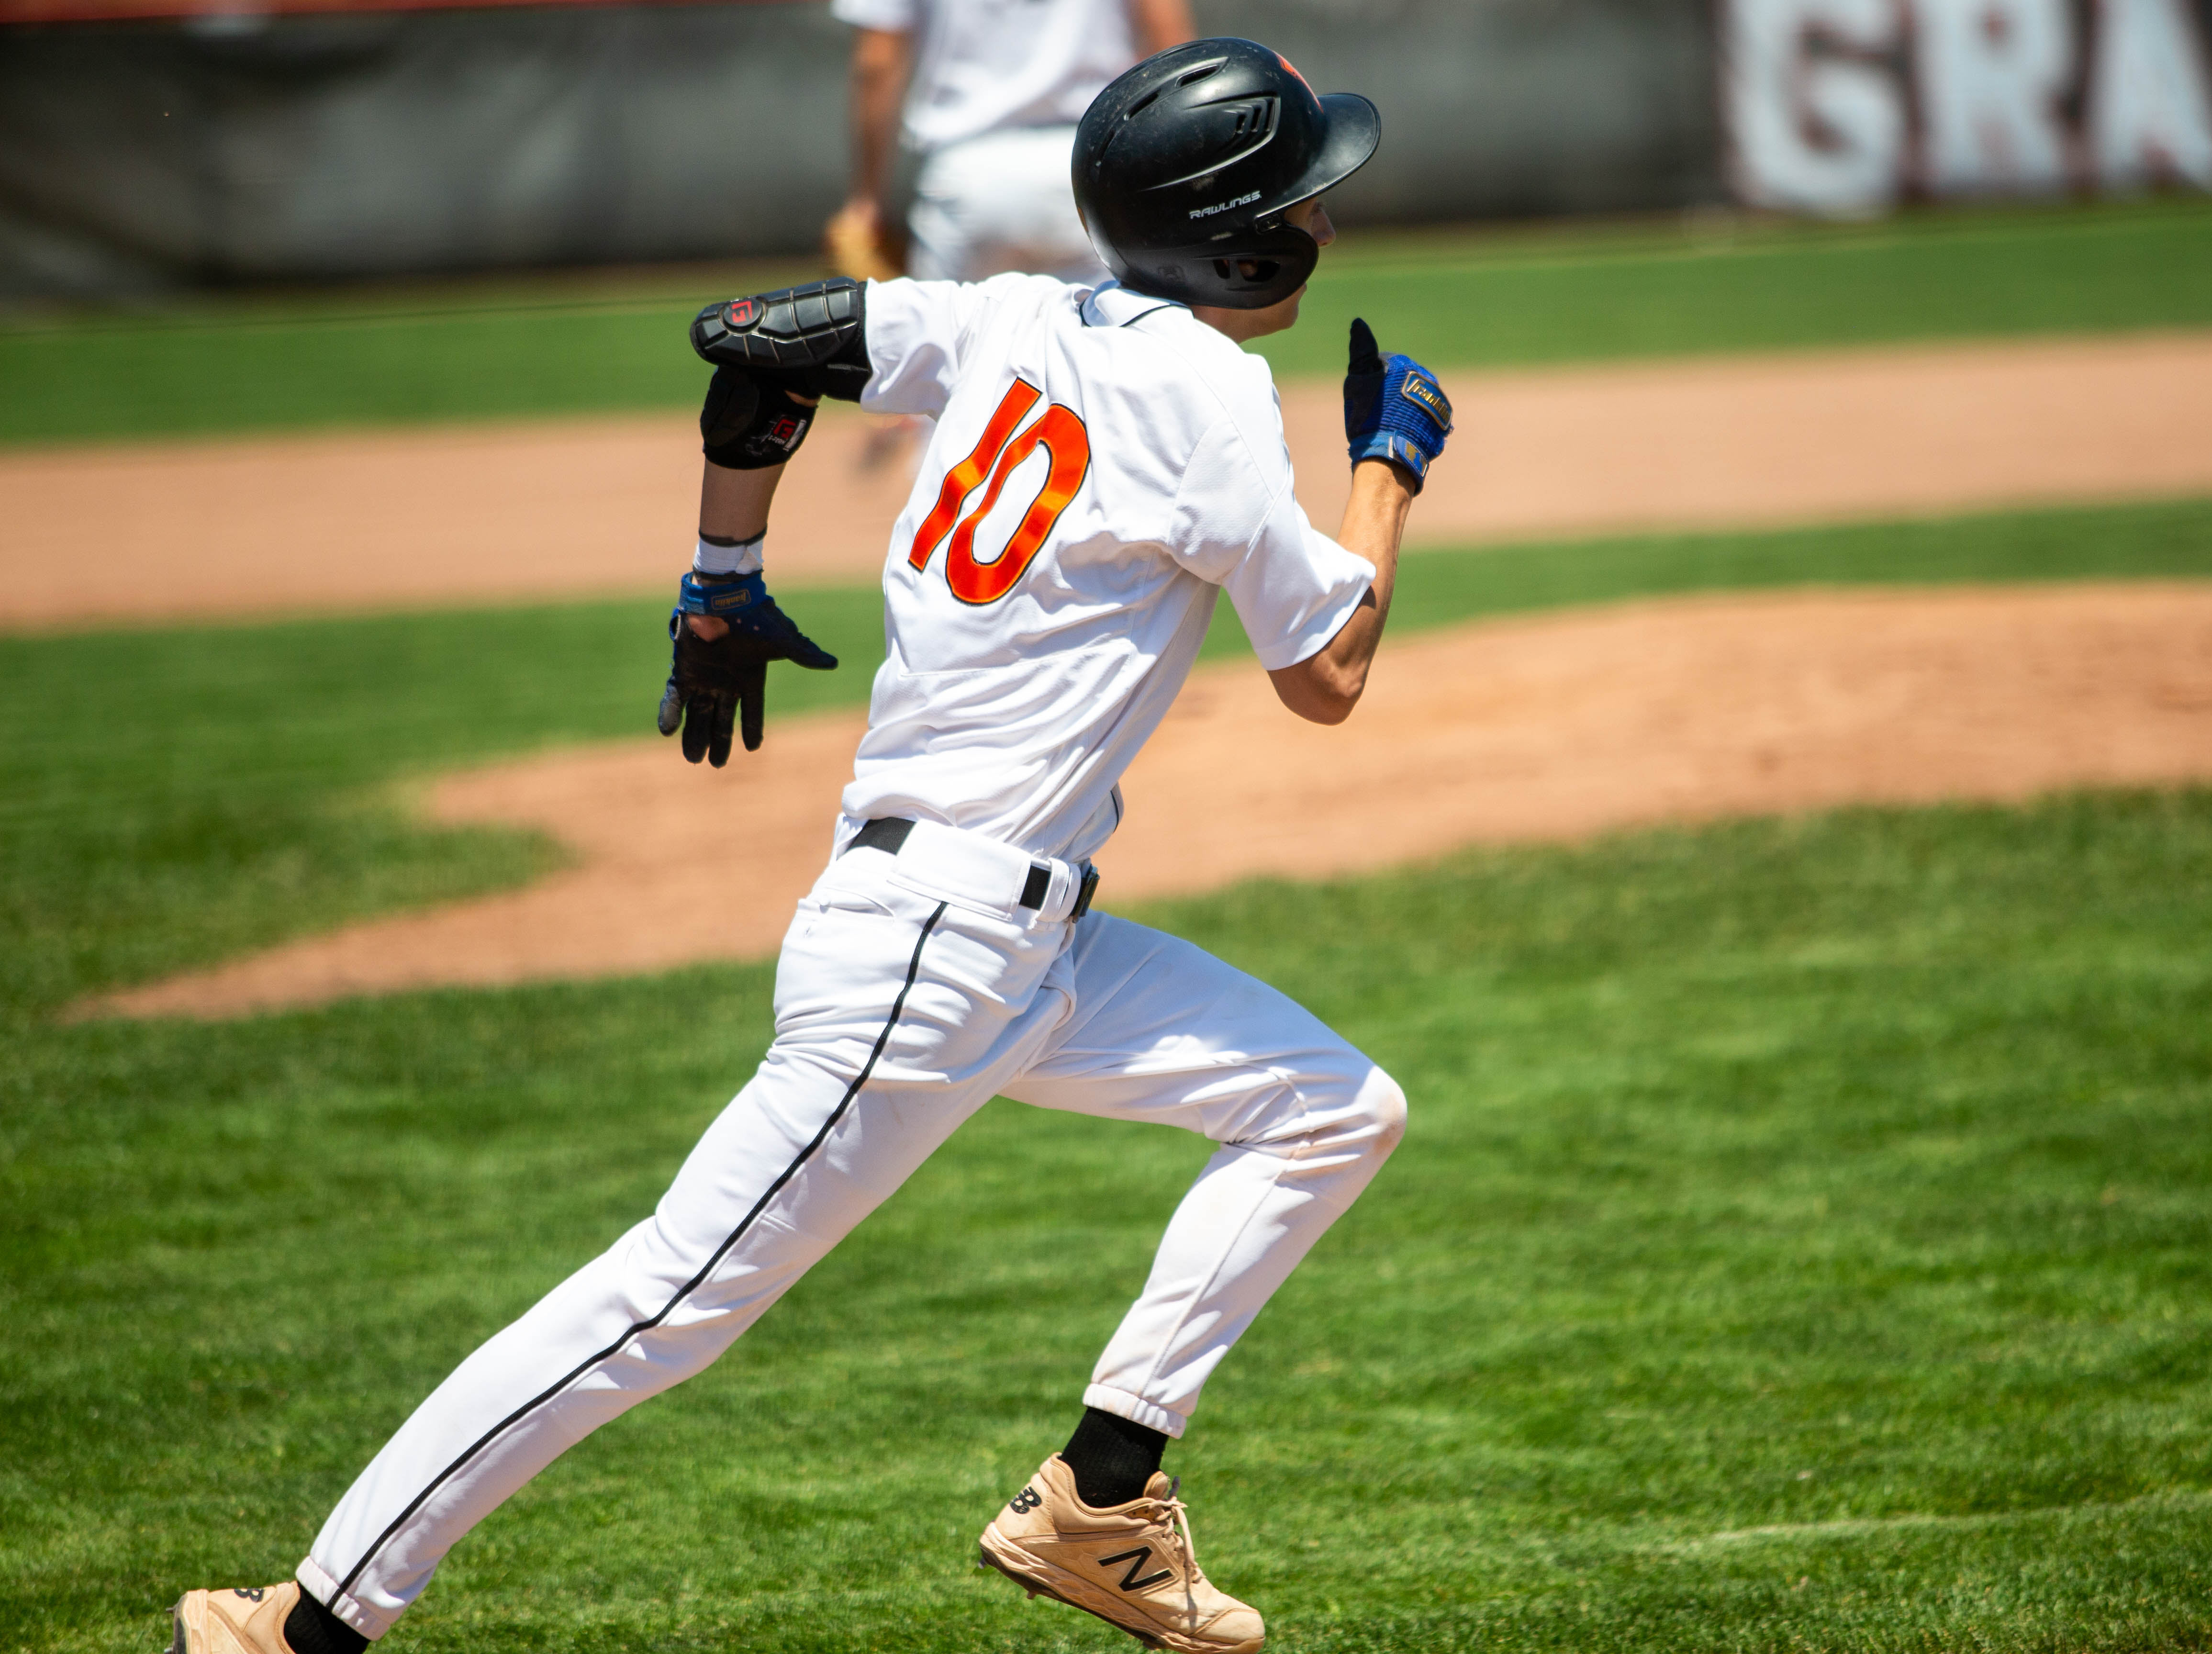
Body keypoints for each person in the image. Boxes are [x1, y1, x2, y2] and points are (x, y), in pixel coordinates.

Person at [169, 38, 1452, 1654]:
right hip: (937, 950)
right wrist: (1389, 464)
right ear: (1239, 237)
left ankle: (1100, 1497)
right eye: (1297, 198)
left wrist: (720, 573)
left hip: (1017, 938)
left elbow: (754, 339)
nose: (1321, 222)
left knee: (1332, 1107)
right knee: (662, 1300)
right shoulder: (1207, 398)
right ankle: (304, 1621)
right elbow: (1325, 675)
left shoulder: (1011, 311)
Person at [825, 0, 1194, 283]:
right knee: (1107, 363)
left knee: (955, 368)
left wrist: (866, 201)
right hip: (1094, 170)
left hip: (970, 175)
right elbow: (1170, 44)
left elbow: (877, 62)